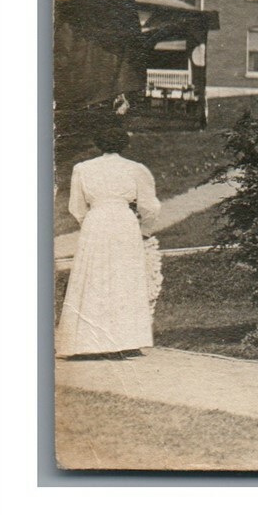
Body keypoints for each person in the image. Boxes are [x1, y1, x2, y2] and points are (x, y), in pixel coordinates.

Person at [55, 127, 160, 359]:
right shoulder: (136, 169)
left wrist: (90, 223)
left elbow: (77, 207)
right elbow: (149, 207)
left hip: (96, 223)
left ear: (98, 144)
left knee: (94, 276)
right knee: (123, 276)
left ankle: (88, 340)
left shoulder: (82, 169)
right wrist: (145, 230)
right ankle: (125, 340)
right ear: (124, 144)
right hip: (124, 223)